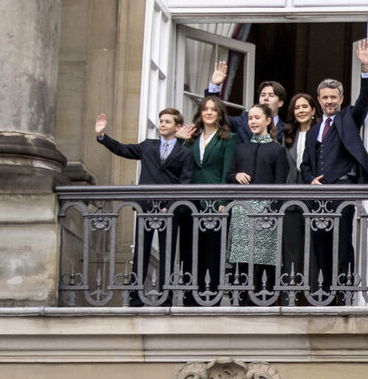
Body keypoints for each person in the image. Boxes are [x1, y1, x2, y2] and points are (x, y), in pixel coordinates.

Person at [91, 108, 193, 305]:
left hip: (168, 210)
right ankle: (135, 297)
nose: (162, 124)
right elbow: (122, 149)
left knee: (167, 253)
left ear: (177, 127)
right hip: (145, 206)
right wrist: (102, 136)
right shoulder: (148, 146)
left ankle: (166, 297)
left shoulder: (185, 153)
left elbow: (185, 183)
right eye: (161, 121)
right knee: (141, 251)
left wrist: (170, 206)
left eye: (167, 122)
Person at [306, 41, 368, 304]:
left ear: (341, 98)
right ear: (319, 100)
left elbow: (365, 100)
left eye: (333, 97)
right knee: (320, 242)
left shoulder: (349, 117)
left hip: (342, 188)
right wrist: (310, 179)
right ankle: (325, 293)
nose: (329, 101)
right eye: (325, 98)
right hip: (319, 194)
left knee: (342, 241)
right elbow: (305, 164)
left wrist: (365, 68)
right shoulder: (313, 131)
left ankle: (345, 293)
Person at [228, 101, 292, 302]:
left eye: (257, 118)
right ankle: (238, 303)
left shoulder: (277, 150)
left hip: (266, 212)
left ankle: (267, 303)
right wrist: (236, 175)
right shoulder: (240, 149)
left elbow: (280, 185)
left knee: (266, 261)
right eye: (250, 118)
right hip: (242, 210)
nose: (253, 122)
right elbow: (228, 176)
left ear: (268, 120)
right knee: (241, 262)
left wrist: (272, 211)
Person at [185, 95, 237, 304]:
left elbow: (227, 172)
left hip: (215, 203)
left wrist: (223, 201)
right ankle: (190, 297)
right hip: (191, 203)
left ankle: (211, 296)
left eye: (213, 109)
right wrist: (180, 139)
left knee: (212, 251)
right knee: (191, 249)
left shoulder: (229, 139)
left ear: (220, 114)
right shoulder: (191, 138)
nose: (208, 112)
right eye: (205, 109)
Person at [278, 92, 321, 298]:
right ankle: (288, 298)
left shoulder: (321, 133)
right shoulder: (286, 135)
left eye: (305, 107)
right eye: (297, 107)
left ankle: (315, 297)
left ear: (313, 110)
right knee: (290, 250)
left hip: (314, 198)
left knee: (314, 250)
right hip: (290, 198)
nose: (301, 110)